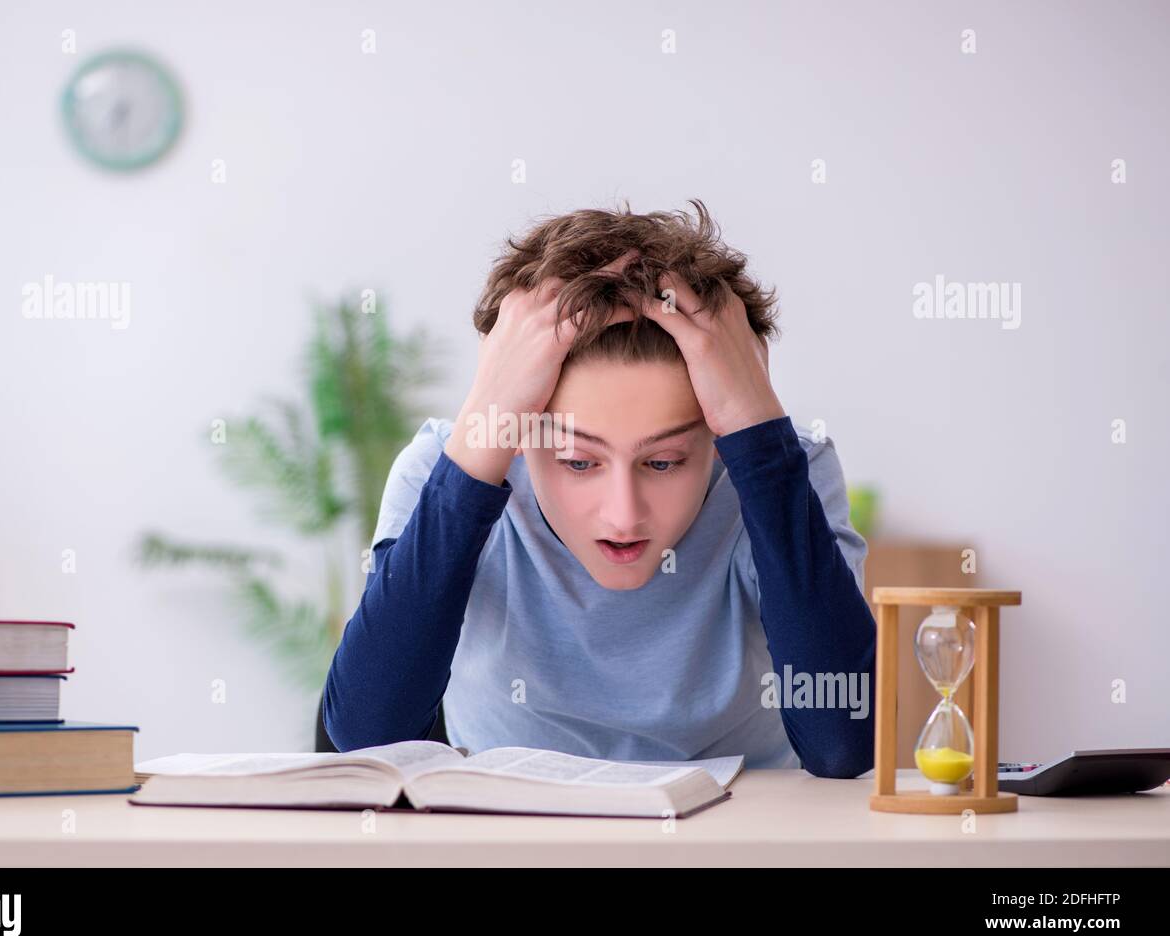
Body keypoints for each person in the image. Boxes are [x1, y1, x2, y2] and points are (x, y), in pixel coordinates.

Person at [320, 200, 876, 776]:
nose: (623, 516)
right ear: (519, 432)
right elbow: (369, 736)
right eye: (579, 461)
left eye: (663, 461)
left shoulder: (785, 468)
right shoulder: (453, 466)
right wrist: (481, 432)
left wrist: (758, 433)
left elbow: (843, 745)